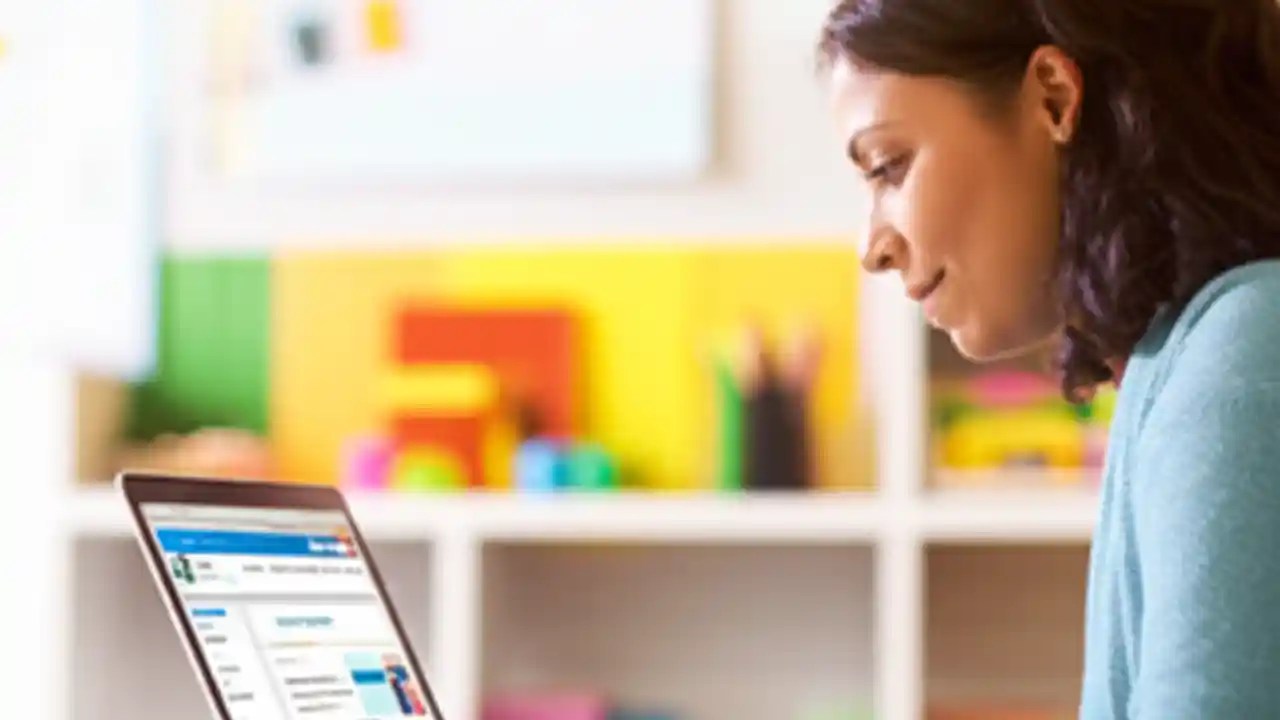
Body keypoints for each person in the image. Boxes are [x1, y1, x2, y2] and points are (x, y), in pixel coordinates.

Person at [818, 1, 1280, 718]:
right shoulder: (1175, 364)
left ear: (1054, 98)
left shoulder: (1241, 357)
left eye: (890, 166)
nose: (871, 246)